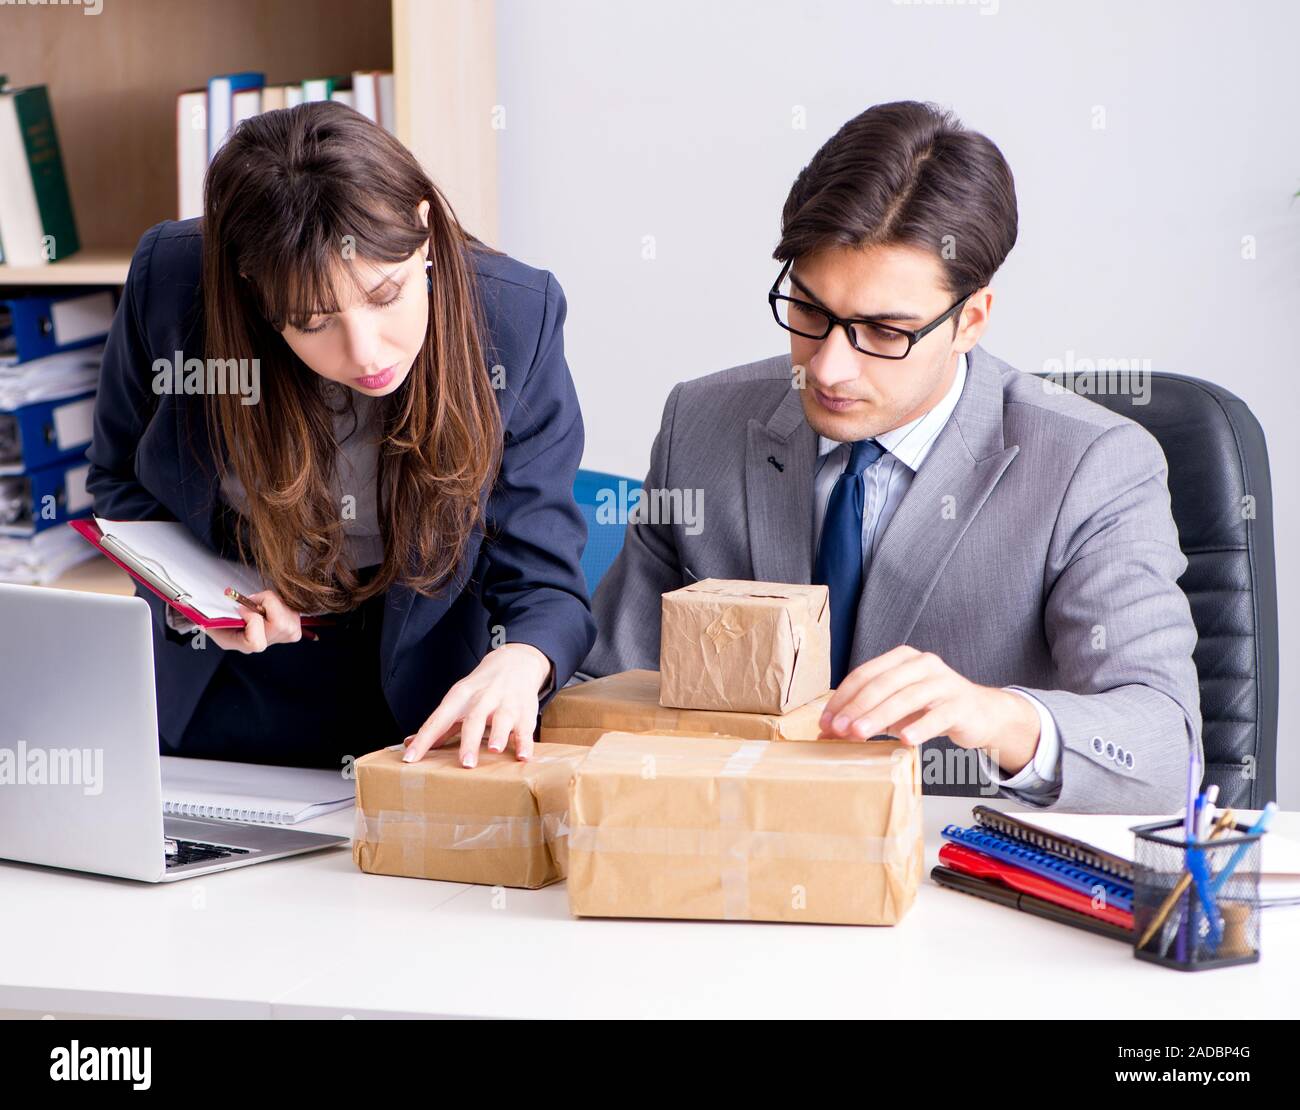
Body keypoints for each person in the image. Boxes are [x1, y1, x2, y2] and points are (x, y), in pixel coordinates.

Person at [582, 101, 1201, 813]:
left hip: (950, 879)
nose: (829, 368)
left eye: (882, 330)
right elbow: (608, 689)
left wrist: (999, 718)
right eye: (810, 311)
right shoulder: (703, 423)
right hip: (724, 857)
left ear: (970, 321)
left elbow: (1165, 746)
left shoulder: (1091, 467)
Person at [87, 102, 595, 771]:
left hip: (430, 713)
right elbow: (119, 484)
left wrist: (523, 660)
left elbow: (545, 582)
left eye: (385, 296)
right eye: (311, 320)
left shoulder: (515, 319)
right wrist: (212, 595)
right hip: (230, 700)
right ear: (254, 290)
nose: (365, 352)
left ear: (424, 228)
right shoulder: (171, 281)